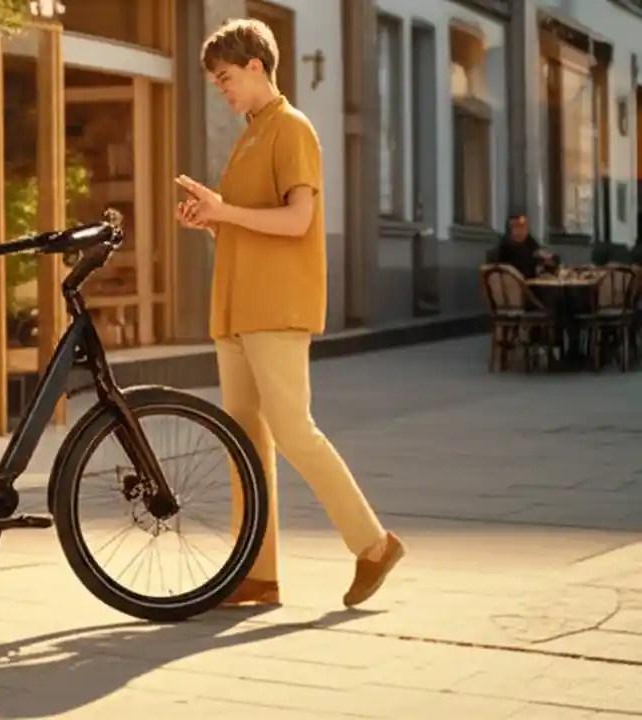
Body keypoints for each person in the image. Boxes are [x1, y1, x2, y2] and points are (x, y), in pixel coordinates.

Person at [175, 18, 403, 608]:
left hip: (275, 306)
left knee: (293, 429)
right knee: (245, 443)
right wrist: (213, 217)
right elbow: (248, 221)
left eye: (225, 77)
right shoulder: (250, 134)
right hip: (236, 306)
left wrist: (226, 211)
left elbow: (298, 221)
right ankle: (256, 574)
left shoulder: (291, 128)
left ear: (256, 66)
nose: (220, 89)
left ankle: (374, 545)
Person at [492, 213, 554, 278]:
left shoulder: (529, 241)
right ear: (510, 230)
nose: (522, 231)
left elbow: (538, 254)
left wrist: (545, 259)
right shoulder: (505, 246)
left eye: (524, 227)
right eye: (518, 227)